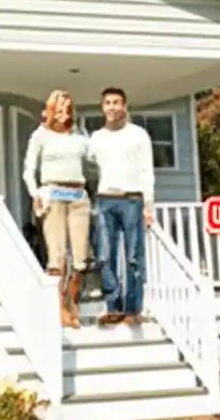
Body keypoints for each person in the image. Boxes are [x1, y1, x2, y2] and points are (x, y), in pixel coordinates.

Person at [22, 89, 92, 328]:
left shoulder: (80, 134)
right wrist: (35, 194)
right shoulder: (41, 135)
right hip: (53, 195)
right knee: (57, 258)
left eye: (68, 109)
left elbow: (93, 159)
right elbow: (28, 170)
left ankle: (72, 302)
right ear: (51, 110)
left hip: (78, 196)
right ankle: (59, 309)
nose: (65, 113)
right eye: (60, 109)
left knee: (81, 259)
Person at [88, 87, 154, 326]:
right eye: (108, 103)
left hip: (132, 199)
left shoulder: (138, 135)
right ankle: (113, 306)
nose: (112, 107)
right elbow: (89, 170)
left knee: (133, 257)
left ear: (125, 106)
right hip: (105, 200)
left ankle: (133, 309)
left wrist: (148, 204)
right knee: (105, 256)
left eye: (117, 102)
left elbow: (147, 170)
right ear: (102, 107)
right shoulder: (96, 138)